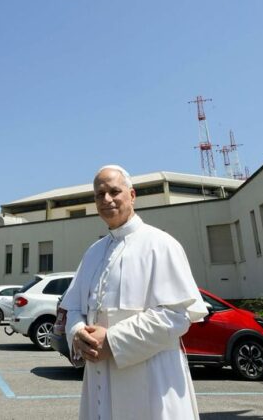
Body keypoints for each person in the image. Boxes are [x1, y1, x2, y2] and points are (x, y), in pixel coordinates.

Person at [60, 165, 207, 420]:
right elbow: (73, 307)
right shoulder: (93, 252)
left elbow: (176, 315)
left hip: (152, 382)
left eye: (114, 191)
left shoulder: (161, 244)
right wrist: (77, 333)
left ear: (132, 195)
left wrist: (113, 341)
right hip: (99, 376)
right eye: (99, 194)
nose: (106, 199)